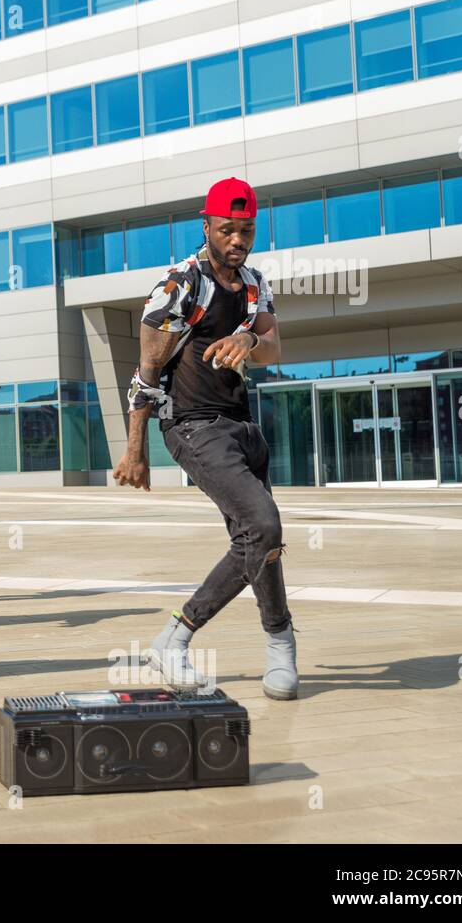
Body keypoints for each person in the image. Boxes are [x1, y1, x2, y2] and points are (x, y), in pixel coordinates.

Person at [112, 177, 299, 701]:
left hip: (242, 425)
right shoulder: (180, 285)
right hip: (192, 426)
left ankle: (280, 648)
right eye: (227, 230)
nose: (237, 240)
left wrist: (248, 337)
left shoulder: (256, 283)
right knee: (262, 524)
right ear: (207, 227)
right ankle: (176, 634)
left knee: (261, 542)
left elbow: (273, 347)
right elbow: (146, 369)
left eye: (246, 230)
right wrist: (135, 450)